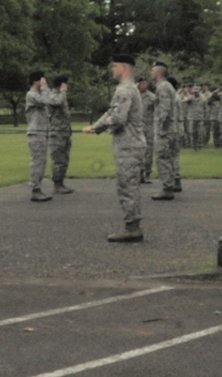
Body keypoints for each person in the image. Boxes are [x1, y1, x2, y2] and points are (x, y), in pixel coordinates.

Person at [88, 54, 147, 242]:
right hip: (131, 144)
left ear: (123, 67)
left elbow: (118, 118)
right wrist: (96, 127)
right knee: (129, 185)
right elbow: (111, 111)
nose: (112, 70)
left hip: (128, 145)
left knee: (127, 187)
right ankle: (132, 225)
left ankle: (132, 228)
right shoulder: (127, 89)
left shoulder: (124, 90)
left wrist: (103, 125)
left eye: (115, 66)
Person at [148, 62, 182, 200]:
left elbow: (165, 109)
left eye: (152, 70)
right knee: (173, 156)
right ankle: (175, 182)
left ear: (158, 72)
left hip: (166, 130)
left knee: (163, 157)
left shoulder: (162, 87)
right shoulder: (168, 86)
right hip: (173, 128)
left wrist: (163, 127)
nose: (151, 72)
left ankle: (167, 188)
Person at [24, 72, 59, 201]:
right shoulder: (31, 94)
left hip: (43, 131)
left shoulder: (40, 93)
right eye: (42, 80)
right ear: (36, 81)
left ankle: (38, 187)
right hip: (35, 132)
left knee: (43, 161)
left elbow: (53, 100)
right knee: (37, 161)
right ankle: (35, 189)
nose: (44, 82)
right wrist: (45, 88)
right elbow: (47, 101)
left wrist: (45, 89)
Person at [47, 73, 76, 192]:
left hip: (65, 132)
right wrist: (63, 91)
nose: (68, 86)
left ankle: (61, 182)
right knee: (58, 158)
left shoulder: (60, 95)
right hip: (57, 132)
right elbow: (57, 102)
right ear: (62, 84)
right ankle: (57, 185)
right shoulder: (53, 95)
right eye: (66, 83)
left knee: (64, 159)